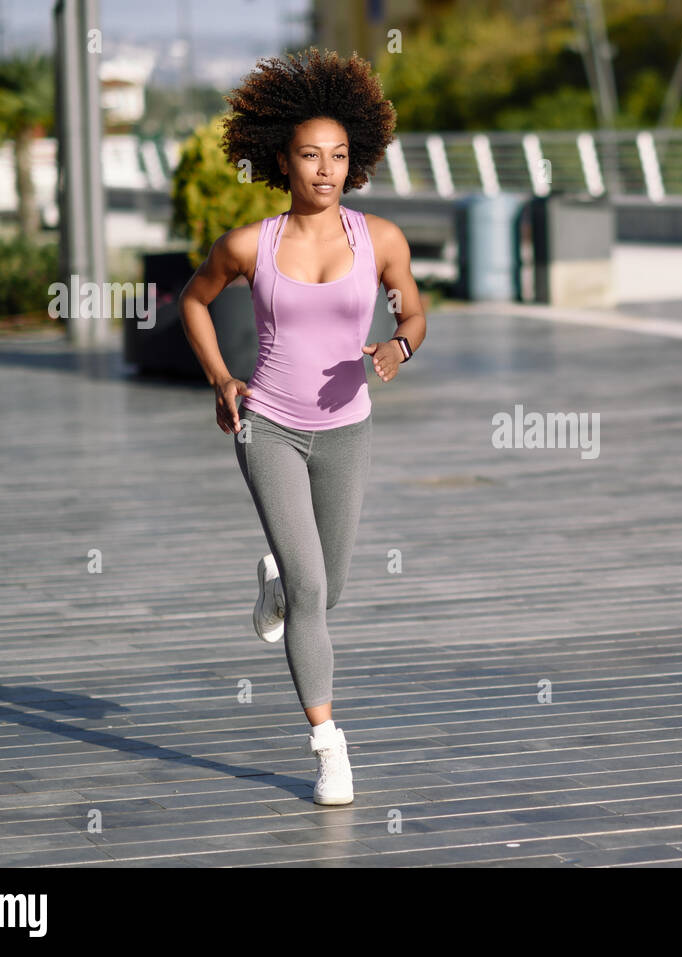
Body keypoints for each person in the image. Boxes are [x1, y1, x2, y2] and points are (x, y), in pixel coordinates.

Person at [177, 48, 426, 805]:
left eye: (339, 156)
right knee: (315, 592)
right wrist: (223, 379)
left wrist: (399, 343)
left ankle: (276, 583)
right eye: (311, 156)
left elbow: (413, 308)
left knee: (330, 586)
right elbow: (192, 301)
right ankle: (330, 747)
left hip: (348, 427)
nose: (326, 169)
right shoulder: (251, 245)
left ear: (357, 161)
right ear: (281, 160)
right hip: (270, 427)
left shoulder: (379, 239)